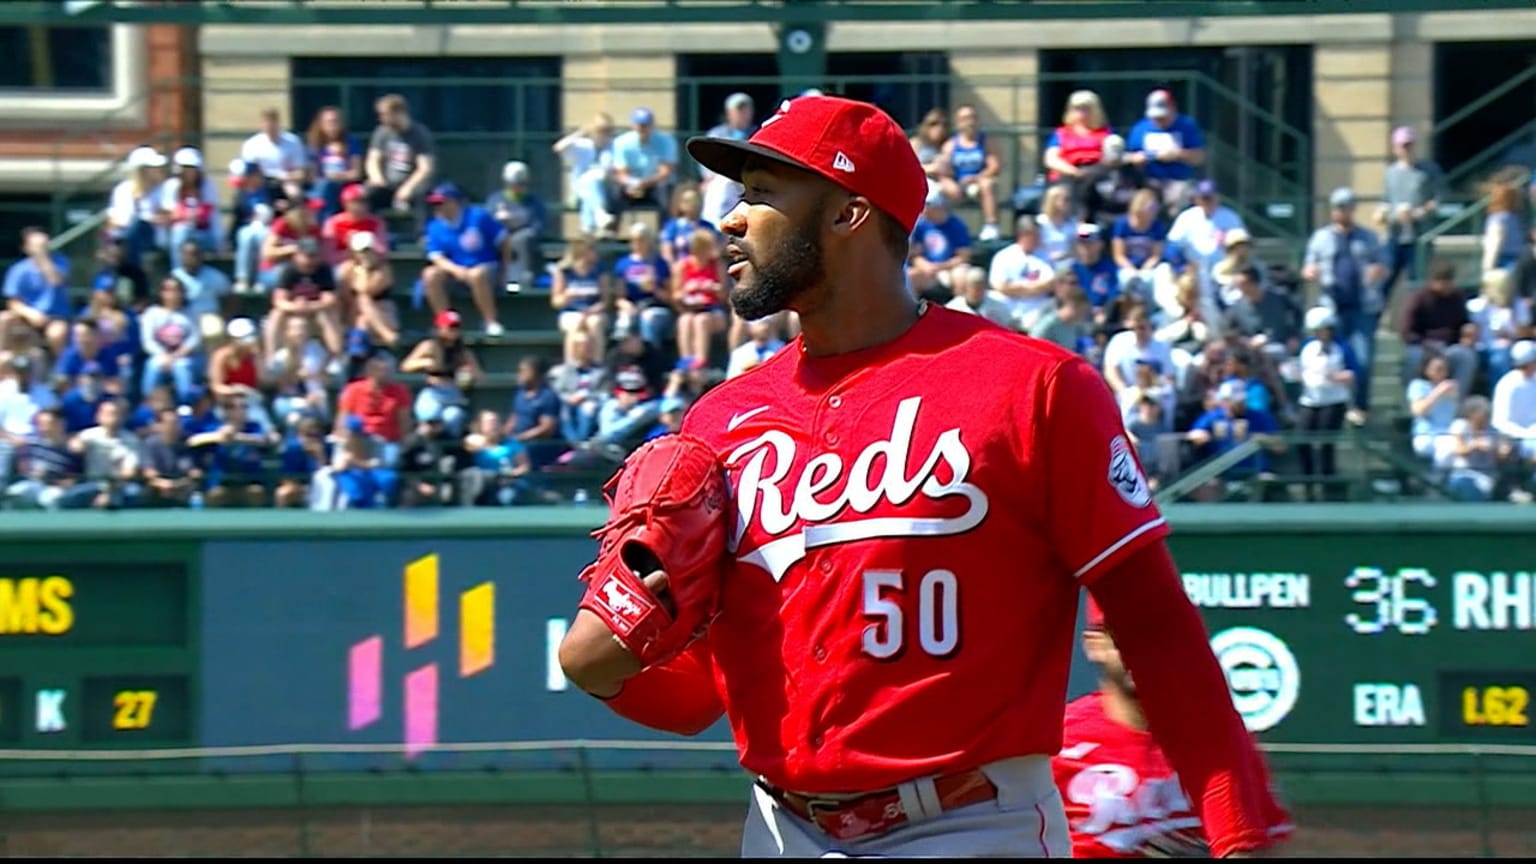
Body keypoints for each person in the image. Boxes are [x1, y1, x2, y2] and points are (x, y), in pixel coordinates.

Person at [556, 94, 1286, 859]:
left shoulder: (1032, 390)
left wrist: (1235, 832)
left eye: (762, 195)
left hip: (967, 823)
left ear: (849, 214)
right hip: (781, 830)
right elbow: (702, 696)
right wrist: (603, 673)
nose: (730, 220)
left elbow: (1157, 629)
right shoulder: (722, 421)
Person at [1056, 596, 1292, 858]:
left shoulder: (1222, 739)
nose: (1140, 652)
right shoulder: (1058, 743)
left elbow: (1261, 845)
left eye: (1154, 636)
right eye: (1123, 637)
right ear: (1094, 645)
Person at [422, 182, 506, 336]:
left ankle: (490, 321)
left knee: (477, 274)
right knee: (430, 275)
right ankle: (446, 323)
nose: (437, 207)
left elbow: (503, 241)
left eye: (441, 203)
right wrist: (457, 270)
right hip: (456, 270)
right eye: (435, 204)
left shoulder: (478, 216)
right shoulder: (434, 226)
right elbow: (437, 257)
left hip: (485, 267)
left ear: (454, 202)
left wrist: (504, 271)